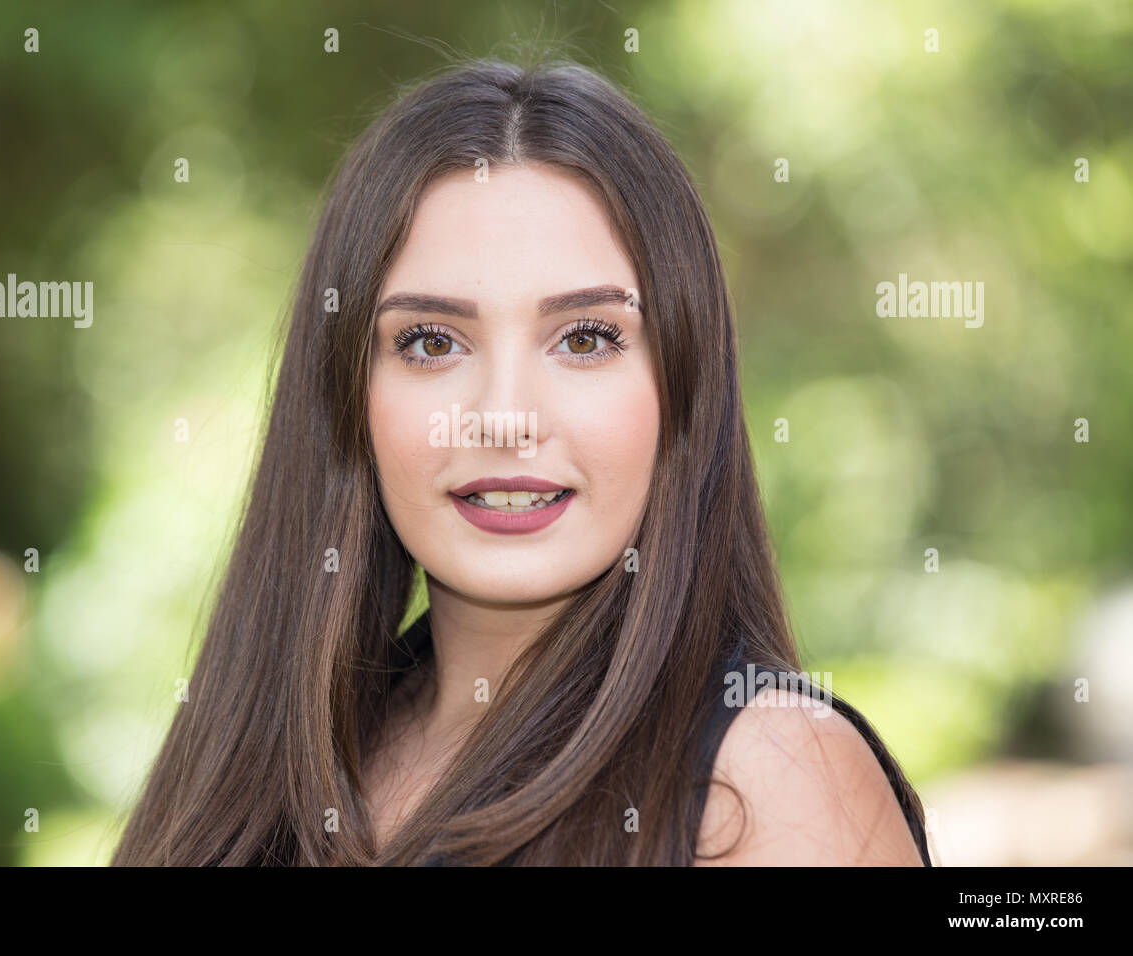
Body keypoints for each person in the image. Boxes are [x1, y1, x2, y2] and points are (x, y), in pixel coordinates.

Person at [111, 57, 931, 867]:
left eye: (585, 338)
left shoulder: (767, 781)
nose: (505, 419)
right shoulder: (263, 773)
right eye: (432, 342)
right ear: (348, 393)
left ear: (685, 388)